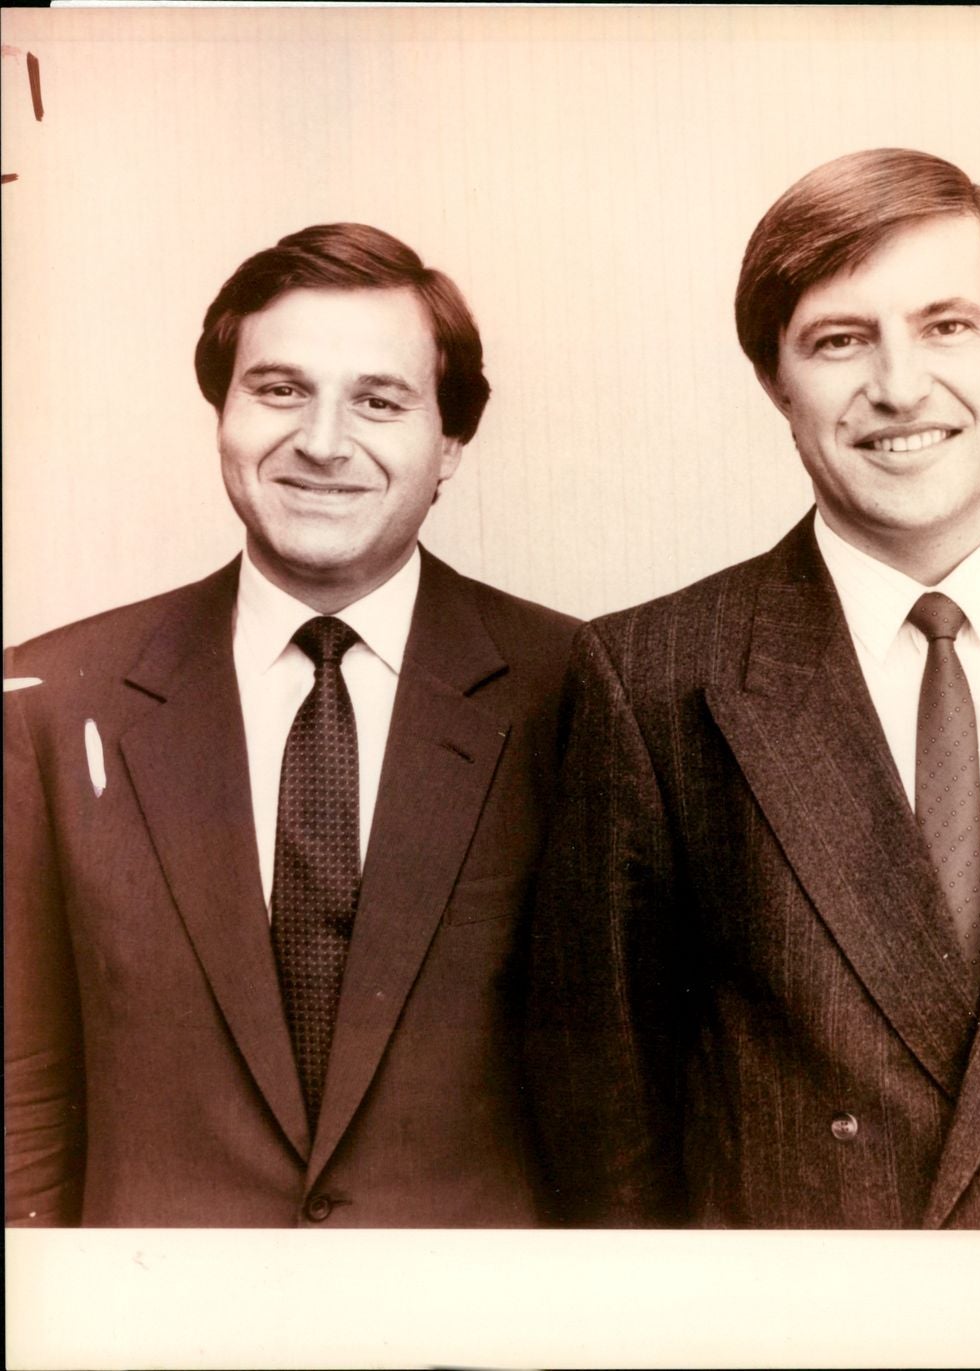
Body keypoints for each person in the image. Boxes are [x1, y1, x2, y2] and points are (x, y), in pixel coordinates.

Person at [527, 148, 980, 1228]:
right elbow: (607, 1110)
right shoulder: (649, 674)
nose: (898, 385)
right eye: (840, 340)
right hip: (812, 1300)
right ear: (775, 382)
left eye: (947, 325)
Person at [3, 224, 579, 1226]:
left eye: (379, 401)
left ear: (449, 444)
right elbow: (20, 1097)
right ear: (221, 414)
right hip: (155, 1307)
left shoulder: (573, 688)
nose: (321, 440)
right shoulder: (53, 700)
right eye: (279, 389)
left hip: (472, 1307)